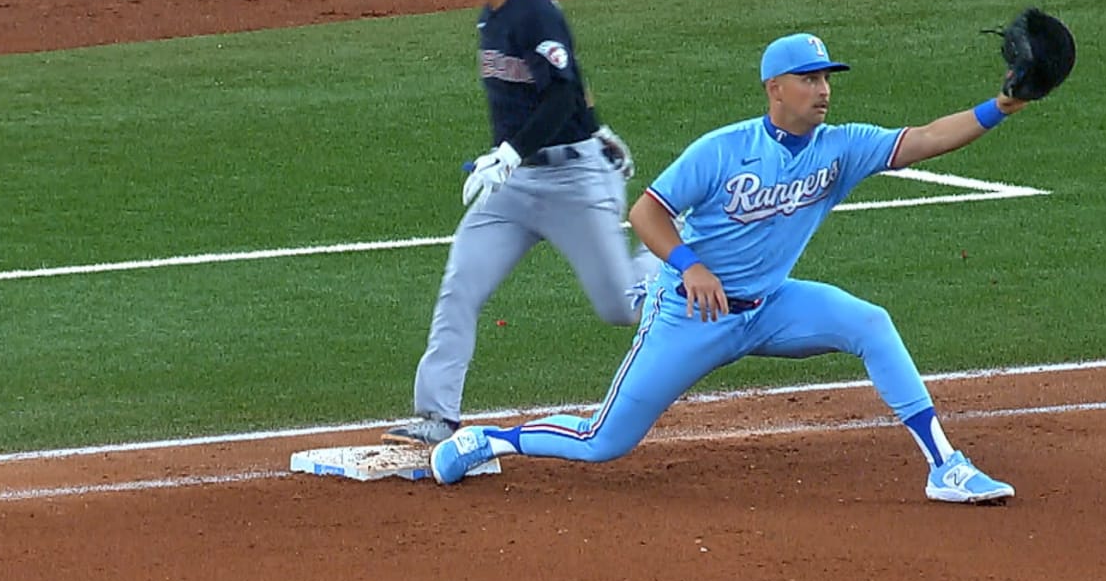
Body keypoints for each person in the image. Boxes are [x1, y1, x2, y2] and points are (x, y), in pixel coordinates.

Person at [427, 30, 1033, 503]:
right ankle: (491, 439)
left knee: (870, 323)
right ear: (774, 87)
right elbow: (646, 213)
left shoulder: (841, 146)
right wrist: (689, 266)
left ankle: (945, 466)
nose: (823, 89)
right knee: (602, 441)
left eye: (827, 77)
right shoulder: (722, 150)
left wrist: (1003, 104)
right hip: (691, 314)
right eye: (809, 78)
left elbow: (925, 138)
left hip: (769, 308)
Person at [383, 0, 657, 447]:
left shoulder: (535, 14)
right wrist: (588, 127)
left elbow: (560, 96)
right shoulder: (494, 12)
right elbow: (569, 88)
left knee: (621, 305)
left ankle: (678, 252)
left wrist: (516, 150)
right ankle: (436, 417)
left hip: (572, 182)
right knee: (461, 283)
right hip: (515, 185)